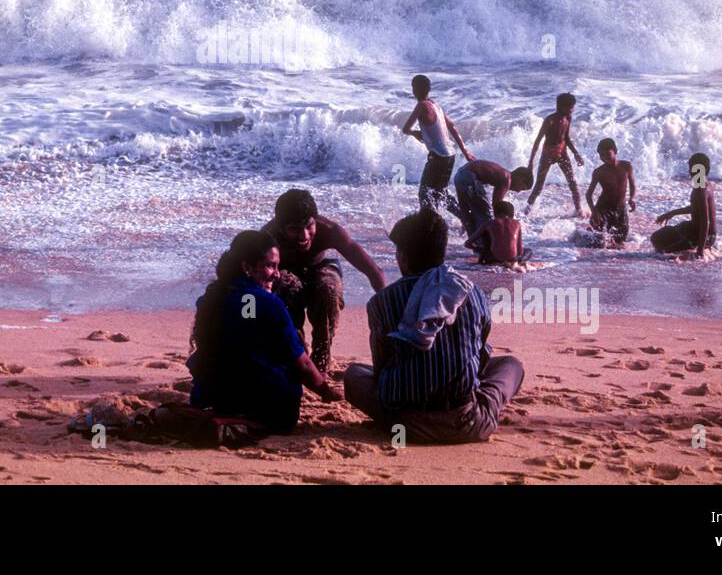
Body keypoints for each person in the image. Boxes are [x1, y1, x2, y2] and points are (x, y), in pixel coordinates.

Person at [343, 207, 525, 444]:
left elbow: (382, 367)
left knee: (354, 375)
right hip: (468, 424)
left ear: (404, 255)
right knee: (511, 365)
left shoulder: (382, 301)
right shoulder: (473, 293)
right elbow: (479, 357)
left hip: (403, 426)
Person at [187, 230, 342, 435]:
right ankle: (245, 420)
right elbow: (302, 364)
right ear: (247, 267)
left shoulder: (208, 299)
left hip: (212, 397)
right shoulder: (269, 303)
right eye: (270, 266)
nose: (277, 274)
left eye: (278, 266)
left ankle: (224, 415)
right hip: (266, 405)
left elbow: (241, 329)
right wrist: (326, 391)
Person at [262, 189, 386, 373]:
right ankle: (297, 356)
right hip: (285, 280)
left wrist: (388, 310)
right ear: (281, 227)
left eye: (308, 226)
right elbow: (245, 279)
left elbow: (372, 271)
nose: (304, 236)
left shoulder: (329, 230)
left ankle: (321, 358)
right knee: (286, 285)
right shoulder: (268, 238)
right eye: (295, 229)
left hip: (319, 270)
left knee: (329, 288)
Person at [401, 74, 473, 212]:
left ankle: (427, 224)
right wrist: (466, 152)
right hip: (450, 155)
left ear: (414, 89)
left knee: (425, 194)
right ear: (429, 90)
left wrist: (414, 133)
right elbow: (452, 127)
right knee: (440, 194)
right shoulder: (436, 106)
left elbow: (405, 129)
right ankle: (466, 218)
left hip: (438, 156)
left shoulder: (421, 105)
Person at [453, 158, 533, 257]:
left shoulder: (501, 174)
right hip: (469, 176)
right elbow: (497, 206)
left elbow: (495, 205)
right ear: (521, 178)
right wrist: (504, 228)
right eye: (522, 187)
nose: (518, 191)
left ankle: (478, 247)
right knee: (485, 213)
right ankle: (486, 247)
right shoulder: (507, 177)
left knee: (466, 214)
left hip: (459, 176)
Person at [525, 92, 585, 217]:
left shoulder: (568, 118)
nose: (572, 110)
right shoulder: (550, 120)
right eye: (570, 107)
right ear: (561, 107)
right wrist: (531, 162)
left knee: (572, 182)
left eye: (573, 107)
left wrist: (576, 154)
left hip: (562, 152)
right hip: (548, 153)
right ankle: (527, 210)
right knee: (539, 185)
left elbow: (566, 137)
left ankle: (579, 211)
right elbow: (537, 141)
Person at [651, 153, 717, 261]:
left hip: (704, 235)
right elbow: (696, 208)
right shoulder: (702, 183)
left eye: (691, 167)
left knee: (665, 254)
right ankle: (687, 247)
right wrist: (671, 213)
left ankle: (696, 248)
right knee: (657, 237)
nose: (689, 171)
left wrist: (700, 251)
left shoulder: (701, 188)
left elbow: (706, 221)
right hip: (694, 229)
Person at [586, 137, 636, 246]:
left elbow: (632, 184)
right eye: (601, 155)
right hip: (604, 209)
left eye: (607, 154)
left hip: (621, 209)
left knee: (620, 241)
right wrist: (594, 211)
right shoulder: (599, 172)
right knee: (598, 242)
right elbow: (588, 195)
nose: (604, 158)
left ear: (615, 151)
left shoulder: (626, 166)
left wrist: (632, 198)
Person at [465, 200, 527, 268]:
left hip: (493, 259)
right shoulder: (517, 223)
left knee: (486, 237)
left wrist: (481, 249)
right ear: (512, 214)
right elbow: (520, 251)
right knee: (529, 251)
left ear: (495, 213)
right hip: (511, 259)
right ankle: (518, 262)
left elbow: (467, 244)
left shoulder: (489, 223)